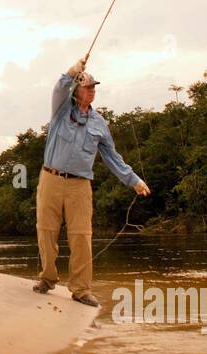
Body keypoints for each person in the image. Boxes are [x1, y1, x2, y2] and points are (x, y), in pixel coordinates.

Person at [34, 56, 150, 306]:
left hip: (80, 185)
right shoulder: (61, 108)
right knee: (46, 232)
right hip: (51, 179)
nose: (92, 91)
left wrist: (134, 181)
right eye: (88, 87)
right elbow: (59, 87)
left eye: (94, 87)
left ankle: (80, 289)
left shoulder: (100, 123)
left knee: (81, 236)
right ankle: (47, 278)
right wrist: (72, 71)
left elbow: (112, 157)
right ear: (77, 91)